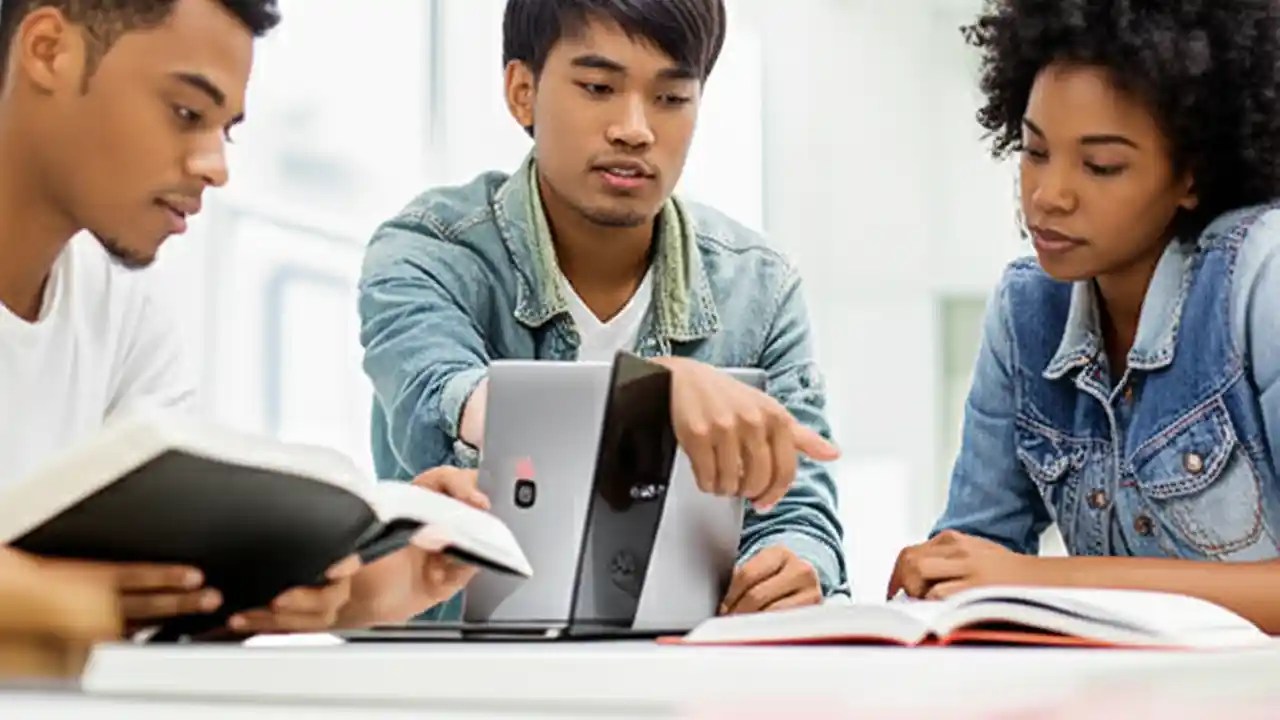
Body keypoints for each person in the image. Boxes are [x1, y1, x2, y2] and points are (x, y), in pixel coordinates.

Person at [357, 0, 847, 621]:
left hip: (680, 668)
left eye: (671, 98)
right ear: (523, 92)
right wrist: (647, 399)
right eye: (598, 88)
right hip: (464, 668)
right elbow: (448, 399)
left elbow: (798, 513)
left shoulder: (760, 286)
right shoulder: (428, 250)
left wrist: (792, 565)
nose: (635, 129)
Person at [889, 0, 1280, 632]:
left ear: (1192, 174)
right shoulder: (1027, 311)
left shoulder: (1262, 276)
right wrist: (939, 577)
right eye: (1034, 151)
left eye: (1101, 166)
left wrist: (1041, 579)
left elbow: (1014, 575)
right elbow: (976, 556)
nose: (1048, 195)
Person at [0, 0, 362, 637]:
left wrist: (256, 595)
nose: (215, 168)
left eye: (226, 131)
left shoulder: (124, 305)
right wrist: (51, 598)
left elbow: (139, 580)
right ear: (50, 51)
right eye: (187, 113)